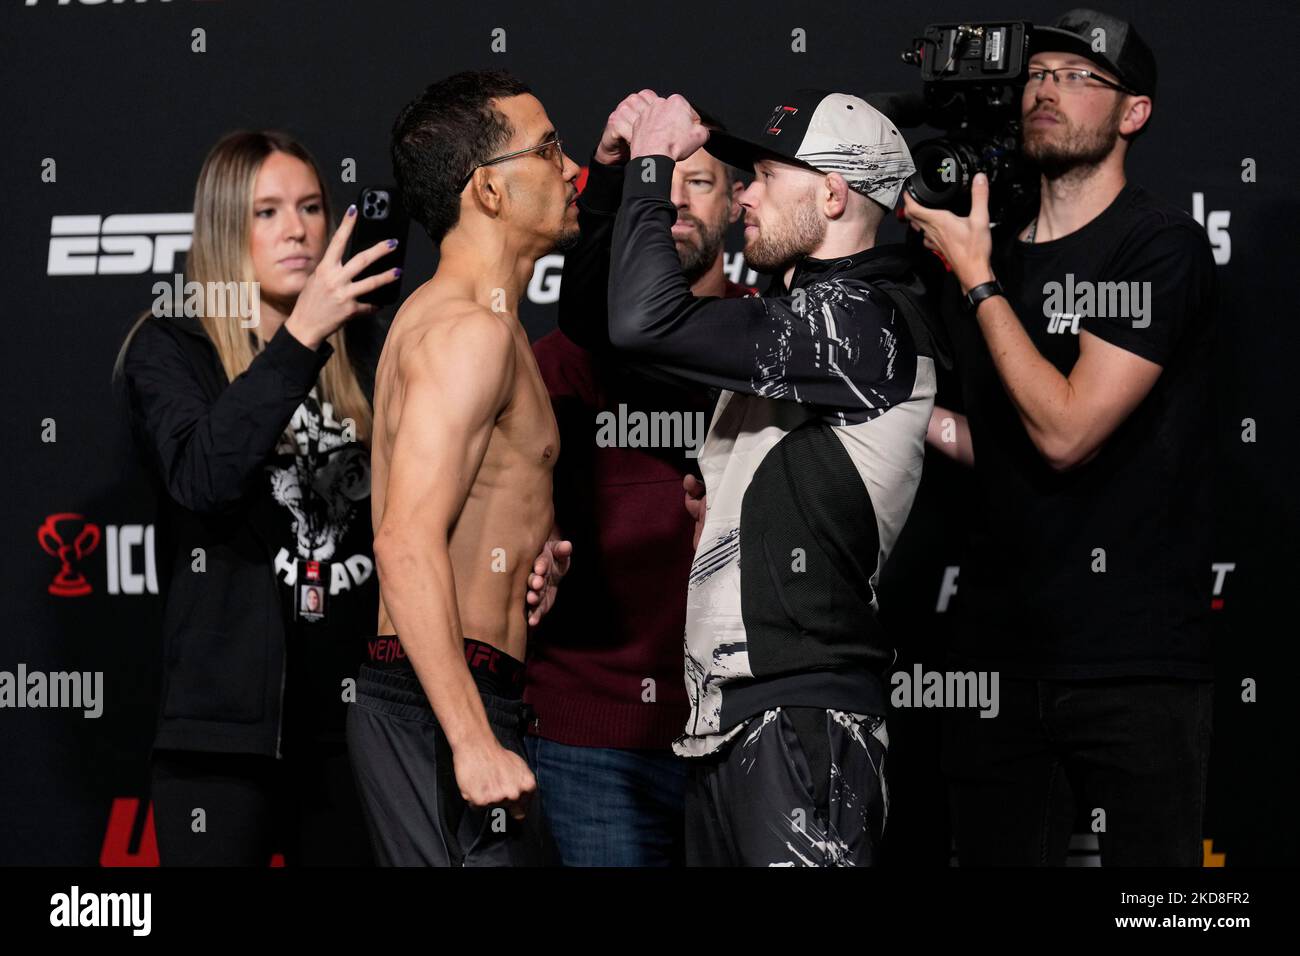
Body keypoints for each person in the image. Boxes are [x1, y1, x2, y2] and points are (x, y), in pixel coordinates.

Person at [567, 89, 942, 866]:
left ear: (834, 195)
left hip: (804, 715)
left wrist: (651, 166)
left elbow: (643, 320)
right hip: (733, 715)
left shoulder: (860, 324)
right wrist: (610, 181)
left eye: (766, 176)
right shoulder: (795, 320)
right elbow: (598, 324)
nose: (743, 192)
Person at [903, 9, 1217, 866]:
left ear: (1133, 113)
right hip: (996, 654)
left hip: (1132, 661)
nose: (1048, 89)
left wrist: (976, 281)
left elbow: (1066, 431)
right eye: (1039, 73)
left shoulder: (1157, 248)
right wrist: (903, 413)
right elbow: (996, 443)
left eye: (1081, 78)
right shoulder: (989, 244)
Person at [116, 129, 401, 865]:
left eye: (310, 207)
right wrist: (303, 336)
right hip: (224, 736)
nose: (299, 230)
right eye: (266, 212)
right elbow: (203, 477)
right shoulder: (172, 347)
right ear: (223, 228)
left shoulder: (364, 348)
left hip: (353, 726)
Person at [345, 70, 577, 867]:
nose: (571, 167)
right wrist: (472, 742)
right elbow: (404, 543)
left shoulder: (481, 324)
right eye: (548, 149)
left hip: (454, 697)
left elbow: (466, 508)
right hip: (439, 706)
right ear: (487, 189)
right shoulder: (467, 334)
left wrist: (529, 546)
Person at [526, 94, 752, 866]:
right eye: (663, 181)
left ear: (735, 203)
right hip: (594, 739)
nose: (677, 202)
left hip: (742, 730)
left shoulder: (775, 345)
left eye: (701, 183)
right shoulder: (561, 360)